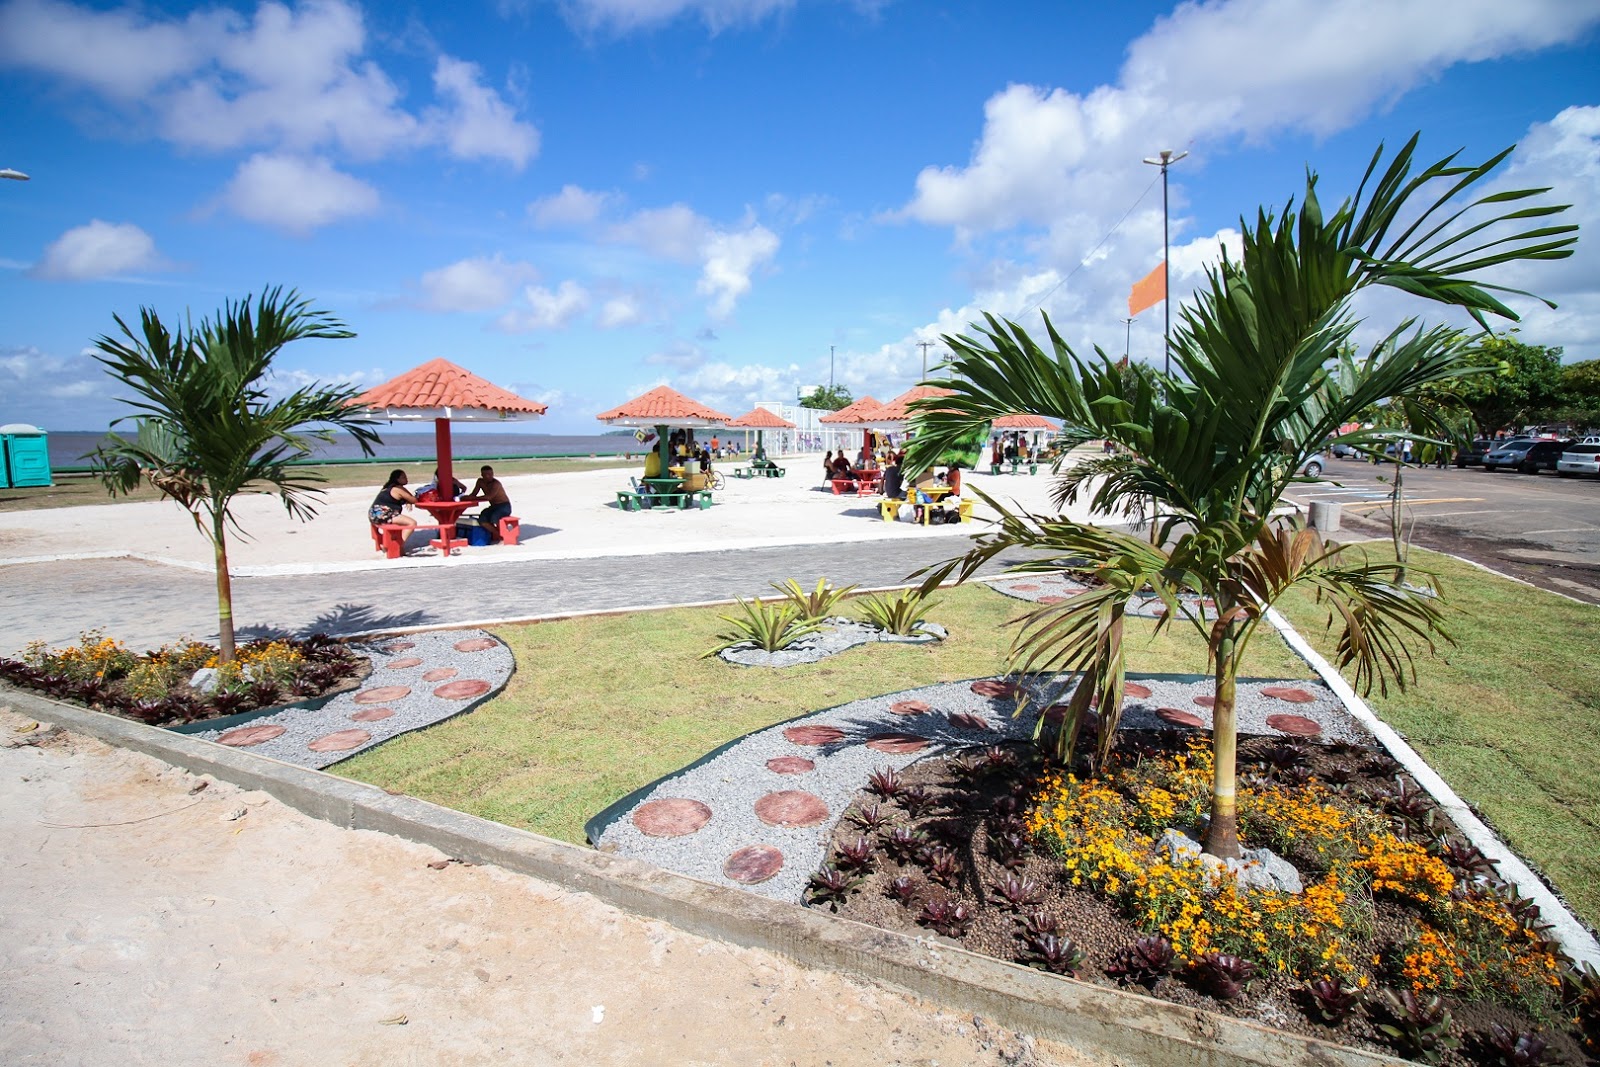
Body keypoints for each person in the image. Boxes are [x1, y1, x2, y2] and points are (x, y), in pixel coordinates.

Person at [464, 465, 513, 542]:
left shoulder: (496, 484)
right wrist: (466, 497)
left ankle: (505, 534)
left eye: (490, 474)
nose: (488, 476)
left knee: (495, 517)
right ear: (482, 475)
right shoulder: (480, 481)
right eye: (486, 475)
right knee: (482, 518)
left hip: (504, 505)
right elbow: (474, 494)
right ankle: (498, 534)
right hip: (493, 506)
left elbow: (489, 497)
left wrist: (473, 498)